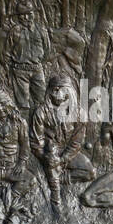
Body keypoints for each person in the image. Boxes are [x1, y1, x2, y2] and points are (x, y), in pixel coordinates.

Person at [29, 75, 88, 216]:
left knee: (90, 172)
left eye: (60, 89)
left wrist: (63, 160)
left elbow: (76, 142)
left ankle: (56, 179)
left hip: (67, 152)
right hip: (49, 152)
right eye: (54, 90)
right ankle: (56, 199)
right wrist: (46, 157)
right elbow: (36, 142)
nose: (57, 93)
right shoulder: (41, 112)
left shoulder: (79, 113)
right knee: (51, 153)